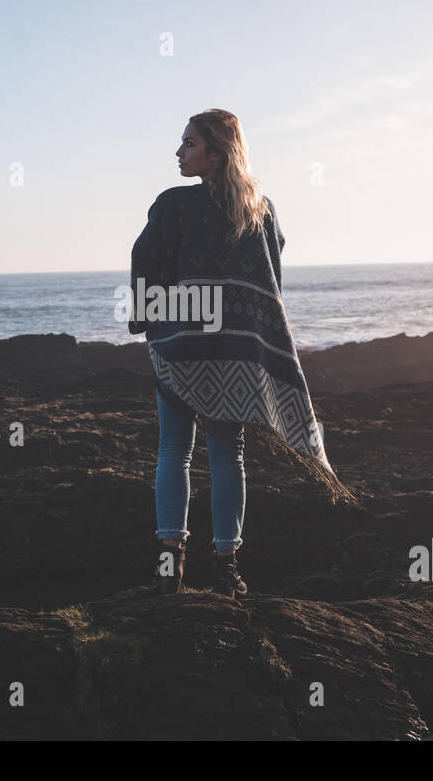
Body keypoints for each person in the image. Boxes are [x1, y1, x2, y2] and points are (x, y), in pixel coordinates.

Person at [128, 109, 346, 600]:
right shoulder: (260, 209)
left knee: (173, 451)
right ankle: (227, 570)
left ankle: (169, 569)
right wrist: (251, 328)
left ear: (216, 152)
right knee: (229, 456)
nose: (179, 152)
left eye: (188, 143)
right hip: (234, 357)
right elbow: (272, 276)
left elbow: (144, 260)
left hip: (181, 348)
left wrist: (148, 321)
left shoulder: (172, 205)